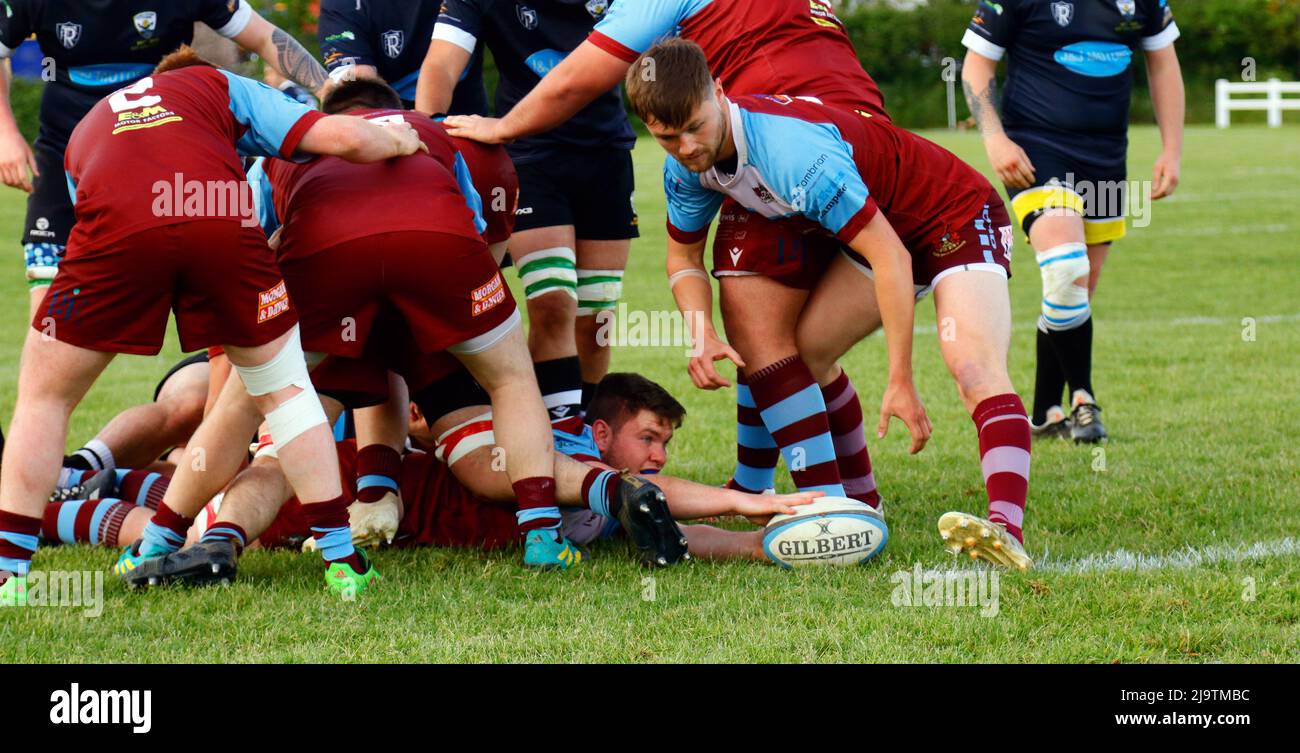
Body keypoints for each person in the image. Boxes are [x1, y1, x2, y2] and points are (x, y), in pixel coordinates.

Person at [0, 48, 428, 605]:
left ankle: (9, 575)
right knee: (288, 395)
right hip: (219, 218)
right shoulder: (219, 84)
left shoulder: (92, 121)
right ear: (202, 76)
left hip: (117, 224)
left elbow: (103, 212)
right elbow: (344, 138)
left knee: (44, 399)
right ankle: (343, 563)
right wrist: (401, 139)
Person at [440, 0, 893, 507]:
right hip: (853, 135)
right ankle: (797, 487)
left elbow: (579, 78)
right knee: (792, 344)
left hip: (790, 150)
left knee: (759, 330)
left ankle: (830, 503)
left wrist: (502, 127)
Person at [628, 39, 1034, 571]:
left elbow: (891, 257)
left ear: (720, 93)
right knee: (807, 357)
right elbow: (683, 258)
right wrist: (700, 330)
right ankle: (862, 507)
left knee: (973, 367)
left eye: (694, 127)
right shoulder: (685, 164)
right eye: (665, 136)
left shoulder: (794, 156)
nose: (684, 146)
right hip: (880, 235)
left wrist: (900, 377)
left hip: (951, 215)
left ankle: (1005, 528)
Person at [66, 374, 819, 586]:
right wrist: (753, 499)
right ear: (596, 435)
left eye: (665, 444)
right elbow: (667, 501)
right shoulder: (558, 452)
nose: (657, 457)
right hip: (354, 483)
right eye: (649, 438)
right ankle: (41, 510)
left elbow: (678, 524)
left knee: (176, 488)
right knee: (186, 518)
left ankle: (63, 495)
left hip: (374, 483)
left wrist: (764, 541)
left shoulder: (623, 495)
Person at [0, 0, 331, 321]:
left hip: (169, 158)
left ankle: (240, 371)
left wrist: (331, 90)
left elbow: (262, 36)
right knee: (50, 300)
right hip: (65, 151)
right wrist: (5, 134)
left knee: (228, 293)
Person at [961, 0, 1184, 442]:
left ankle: (1046, 412)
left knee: (1073, 293)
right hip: (1035, 150)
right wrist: (995, 139)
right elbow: (976, 65)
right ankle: (1085, 398)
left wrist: (1171, 148)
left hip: (1105, 158)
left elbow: (1162, 65)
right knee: (1066, 268)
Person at [417, 0, 639, 421]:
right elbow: (441, 64)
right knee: (552, 302)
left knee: (596, 315)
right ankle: (560, 433)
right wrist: (428, 134)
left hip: (607, 156)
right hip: (530, 154)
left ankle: (586, 439)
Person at [318, 0, 486, 114]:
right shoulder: (341, 4)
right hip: (387, 126)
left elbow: (443, 64)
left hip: (465, 119)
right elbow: (359, 89)